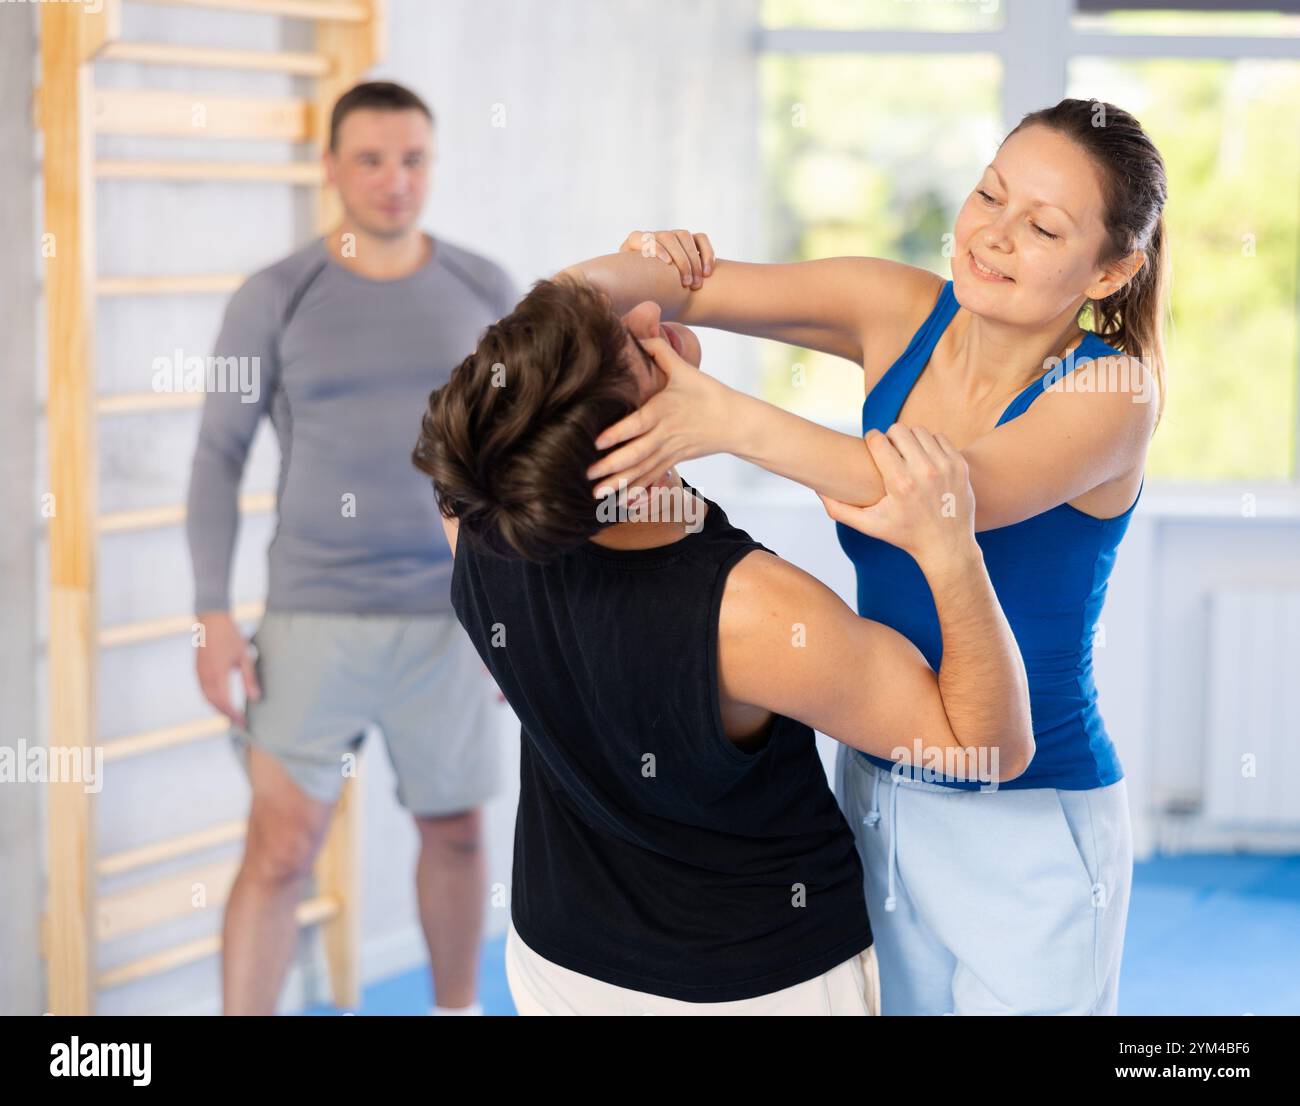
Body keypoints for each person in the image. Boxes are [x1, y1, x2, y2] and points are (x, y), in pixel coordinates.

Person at [564, 98, 1166, 1014]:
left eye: (1043, 227)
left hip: (1032, 821)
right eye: (988, 197)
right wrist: (652, 261)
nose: (993, 237)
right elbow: (642, 289)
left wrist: (728, 419)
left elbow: (930, 498)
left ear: (1113, 270)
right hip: (877, 785)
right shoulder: (894, 306)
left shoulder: (1116, 392)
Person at [411, 275, 1034, 1015]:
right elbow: (988, 748)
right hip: (754, 986)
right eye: (634, 347)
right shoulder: (752, 613)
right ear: (633, 447)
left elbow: (524, 364)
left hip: (556, 961)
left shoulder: (479, 514)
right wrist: (952, 551)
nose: (647, 311)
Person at [186, 81, 516, 1015]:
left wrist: (516, 610)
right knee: (282, 847)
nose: (394, 181)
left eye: (413, 159)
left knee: (455, 834)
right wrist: (211, 613)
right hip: (312, 615)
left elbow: (519, 461)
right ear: (331, 168)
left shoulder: (484, 288)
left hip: (449, 619)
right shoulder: (277, 295)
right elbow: (217, 457)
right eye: (370, 159)